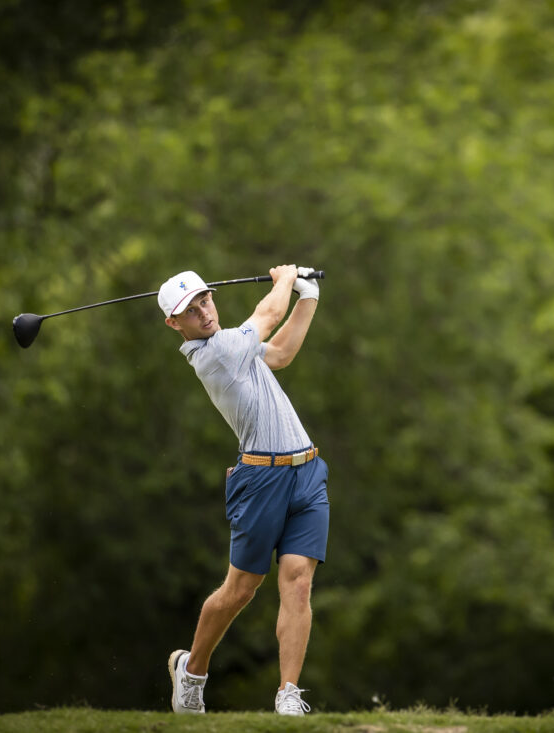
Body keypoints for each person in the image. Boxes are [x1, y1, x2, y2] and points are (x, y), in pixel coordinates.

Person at [158, 264, 327, 717]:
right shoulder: (216, 353)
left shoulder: (234, 343)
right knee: (241, 590)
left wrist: (308, 296)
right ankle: (192, 671)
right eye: (191, 311)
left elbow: (282, 353)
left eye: (205, 301)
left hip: (307, 472)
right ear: (174, 324)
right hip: (261, 480)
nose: (204, 313)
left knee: (299, 582)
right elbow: (268, 315)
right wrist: (285, 278)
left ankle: (288, 694)